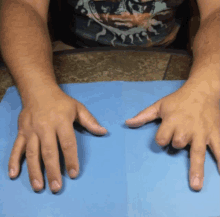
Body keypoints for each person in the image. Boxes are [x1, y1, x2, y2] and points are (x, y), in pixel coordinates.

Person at [0, 0, 219, 194]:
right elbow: (22, 5)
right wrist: (38, 91)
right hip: (68, 51)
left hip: (177, 54)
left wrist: (205, 88)